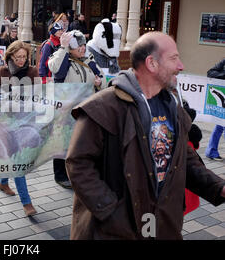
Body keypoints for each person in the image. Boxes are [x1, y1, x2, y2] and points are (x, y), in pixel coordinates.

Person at [65, 32, 225, 239]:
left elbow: (184, 159)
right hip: (112, 231)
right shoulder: (103, 107)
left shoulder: (173, 106)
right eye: (174, 58)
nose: (181, 66)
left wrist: (218, 187)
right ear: (152, 63)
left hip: (161, 225)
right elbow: (78, 164)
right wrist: (112, 212)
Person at [0, 40, 40, 216]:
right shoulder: (2, 72)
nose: (21, 60)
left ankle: (3, 181)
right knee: (18, 160)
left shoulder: (32, 72)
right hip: (5, 123)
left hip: (25, 121)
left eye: (24, 57)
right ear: (10, 56)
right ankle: (26, 203)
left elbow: (40, 95)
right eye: (17, 57)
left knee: (14, 157)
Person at [205, 58, 225, 161]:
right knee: (221, 125)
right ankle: (211, 151)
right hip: (223, 98)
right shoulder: (224, 61)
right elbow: (210, 73)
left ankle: (211, 151)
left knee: (220, 125)